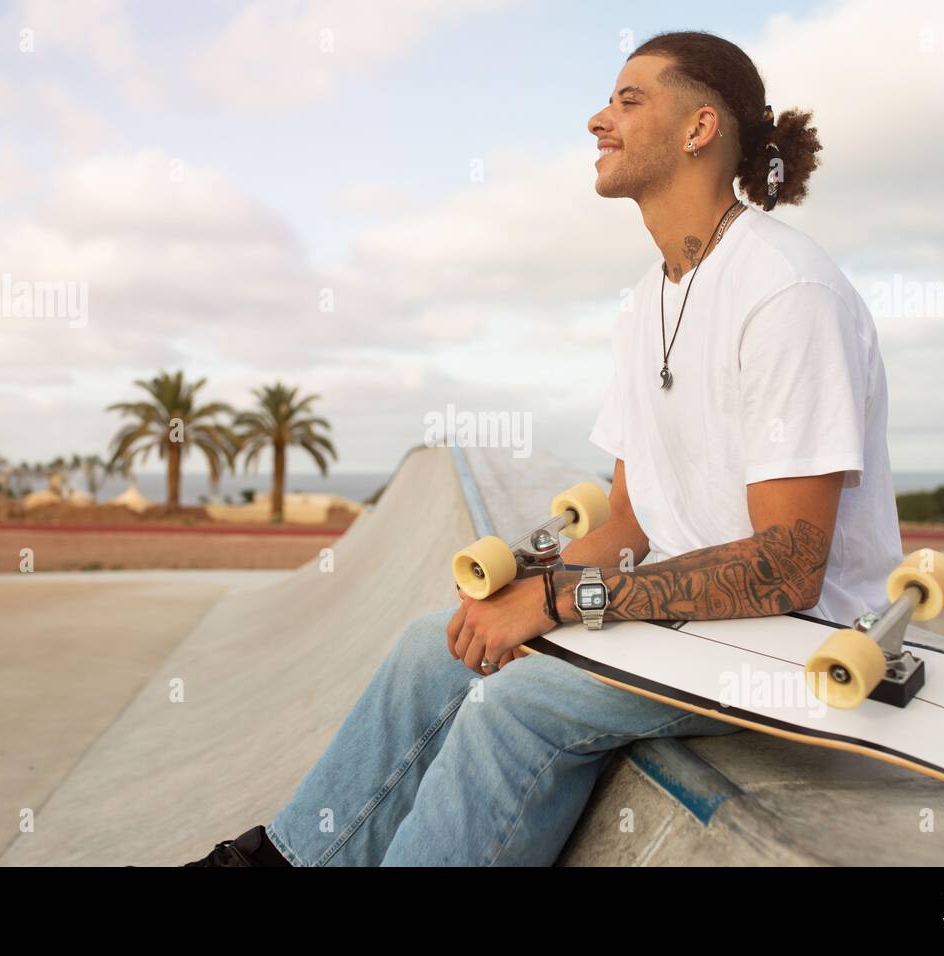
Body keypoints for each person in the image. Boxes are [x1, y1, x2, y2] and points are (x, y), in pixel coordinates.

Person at [185, 29, 902, 867]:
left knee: (516, 704)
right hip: (691, 625)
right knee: (438, 644)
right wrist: (537, 587)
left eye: (629, 100)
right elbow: (630, 523)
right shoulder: (648, 302)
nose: (599, 119)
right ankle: (275, 862)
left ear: (699, 128)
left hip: (792, 640)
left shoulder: (787, 290)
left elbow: (788, 569)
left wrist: (564, 605)